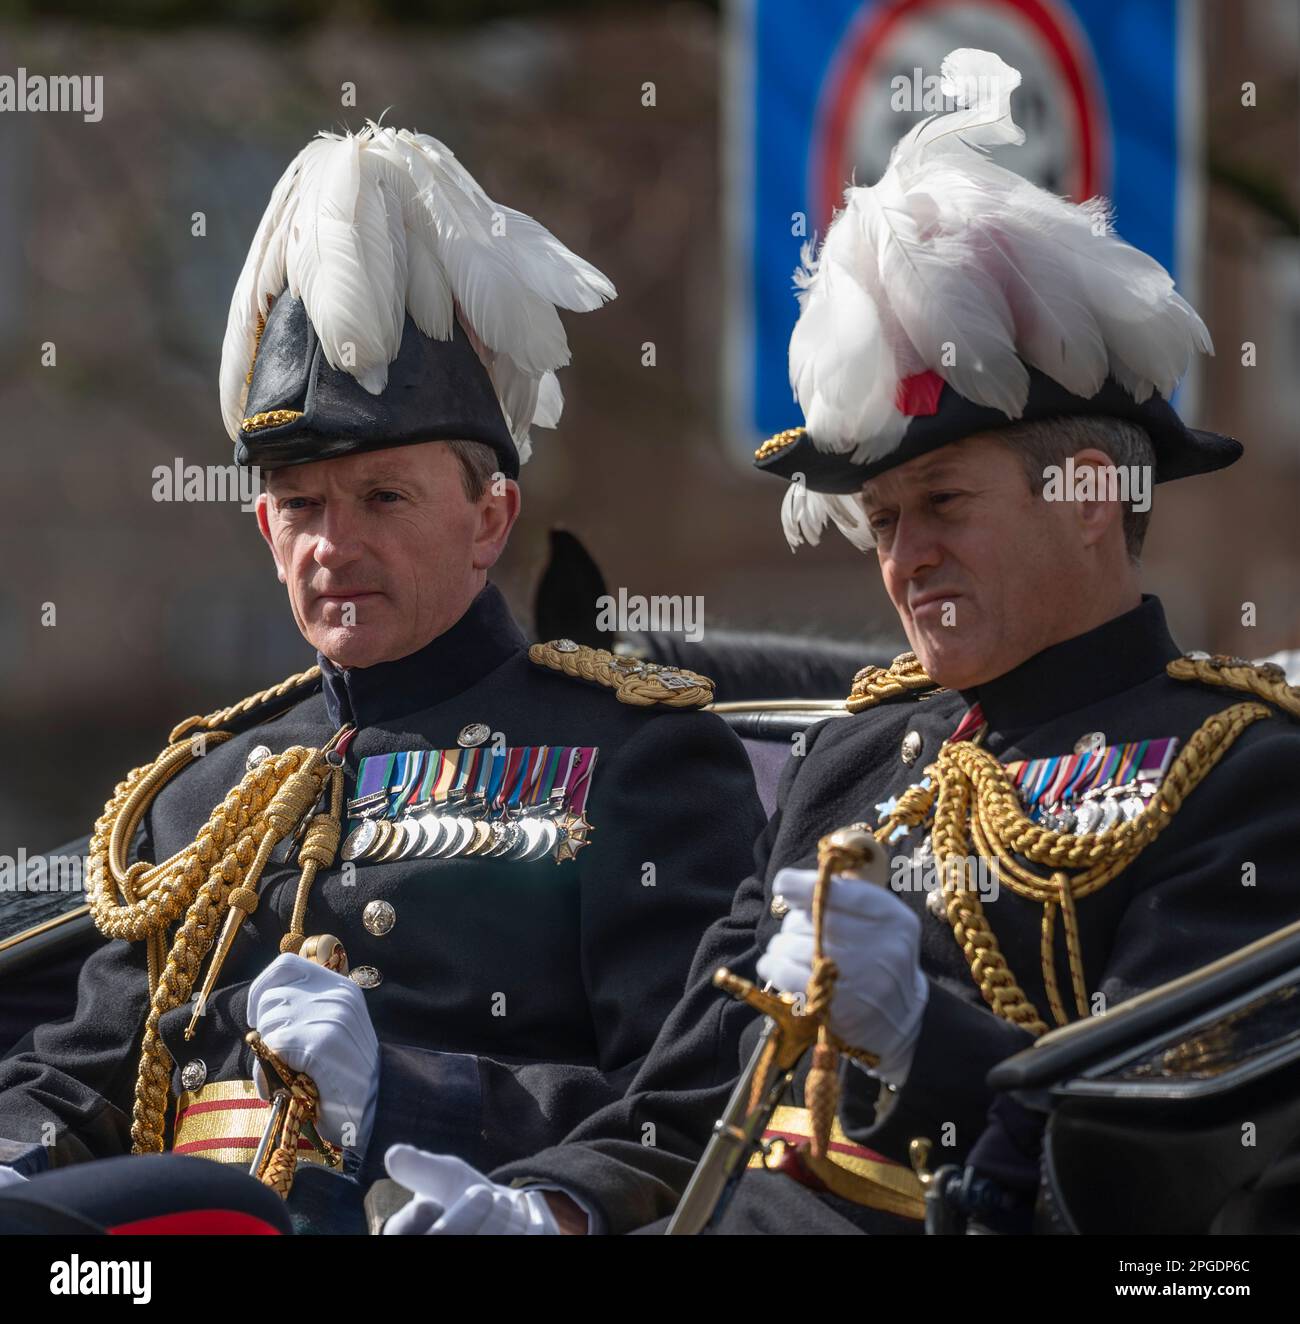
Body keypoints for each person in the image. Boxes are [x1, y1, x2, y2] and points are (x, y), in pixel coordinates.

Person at [380, 49, 1300, 1235]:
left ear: (1085, 495)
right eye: (881, 520)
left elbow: (1170, 1173)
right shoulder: (851, 759)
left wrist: (925, 1035)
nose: (904, 555)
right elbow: (683, 1090)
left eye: (946, 504)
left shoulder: (1237, 772)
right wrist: (552, 1205)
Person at [0, 122, 765, 1232]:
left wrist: (409, 1095)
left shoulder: (633, 759)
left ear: (489, 517)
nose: (330, 545)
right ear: (264, 527)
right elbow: (77, 1079)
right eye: (300, 506)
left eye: (383, 500)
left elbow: (691, 1099)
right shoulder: (204, 789)